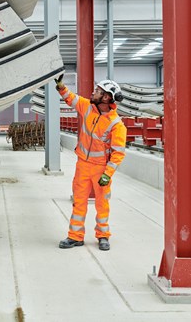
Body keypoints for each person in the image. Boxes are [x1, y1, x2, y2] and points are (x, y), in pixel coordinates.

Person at [54, 74, 127, 251]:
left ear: (106, 97)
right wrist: (62, 87)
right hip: (82, 165)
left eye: (97, 91)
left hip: (101, 168)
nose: (93, 93)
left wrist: (107, 174)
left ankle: (103, 236)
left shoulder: (117, 125)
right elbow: (72, 99)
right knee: (79, 201)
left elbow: (118, 153)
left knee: (102, 203)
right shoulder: (88, 107)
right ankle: (75, 237)